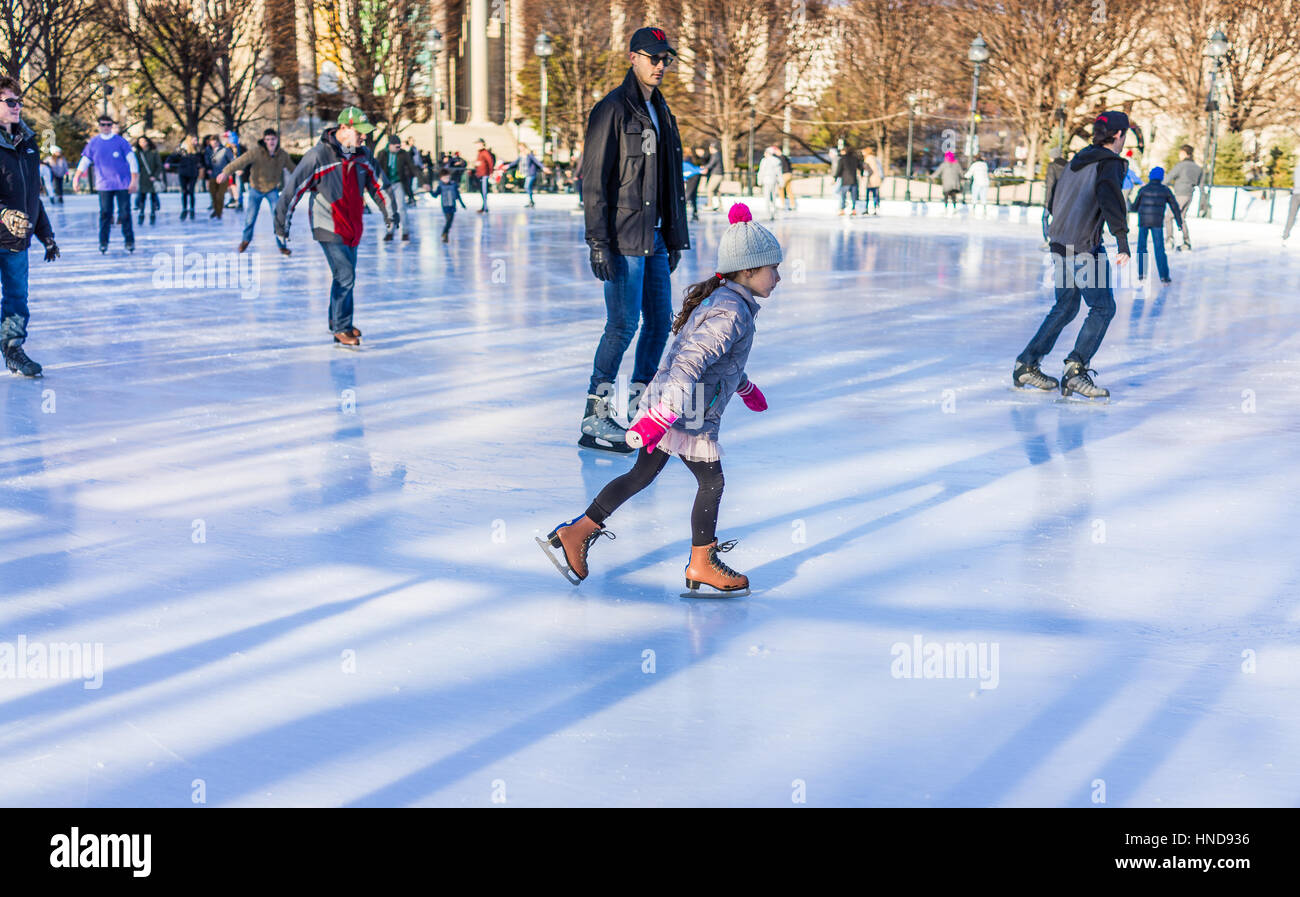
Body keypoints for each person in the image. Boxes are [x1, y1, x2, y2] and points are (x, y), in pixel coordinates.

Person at [539, 202, 779, 596]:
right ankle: (701, 563)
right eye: (773, 268)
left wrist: (745, 386)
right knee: (711, 481)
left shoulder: (729, 302)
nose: (779, 277)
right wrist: (665, 413)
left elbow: (720, 362)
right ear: (749, 270)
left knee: (641, 474)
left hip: (677, 406)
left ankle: (577, 531)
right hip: (684, 411)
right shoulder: (731, 310)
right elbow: (691, 361)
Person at [579, 24, 690, 453]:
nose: (661, 65)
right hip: (623, 239)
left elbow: (668, 183)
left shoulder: (662, 110)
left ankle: (641, 407)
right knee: (623, 325)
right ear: (633, 58)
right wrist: (597, 242)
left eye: (666, 58)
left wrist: (675, 238)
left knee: (660, 323)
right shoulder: (612, 109)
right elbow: (595, 181)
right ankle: (595, 417)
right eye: (653, 57)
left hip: (657, 238)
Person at [1013, 111, 1132, 400]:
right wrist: (1122, 239)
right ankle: (1076, 370)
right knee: (1103, 307)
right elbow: (1109, 197)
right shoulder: (1110, 163)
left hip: (1060, 241)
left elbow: (1055, 198)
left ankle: (1026, 363)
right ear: (1118, 135)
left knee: (1066, 307)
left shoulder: (1075, 161)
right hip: (1082, 247)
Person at [274, 107, 394, 347]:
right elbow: (292, 190)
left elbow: (379, 185)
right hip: (328, 224)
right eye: (359, 132)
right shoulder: (318, 156)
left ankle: (339, 321)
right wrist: (281, 226)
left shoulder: (362, 155)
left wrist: (390, 213)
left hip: (353, 226)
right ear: (344, 128)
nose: (364, 137)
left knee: (345, 276)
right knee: (346, 276)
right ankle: (341, 327)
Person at [0, 76, 59, 377]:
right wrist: (3, 213)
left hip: (15, 240)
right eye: (10, 101)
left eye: (19, 101)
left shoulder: (28, 142)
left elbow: (31, 195)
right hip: (5, 226)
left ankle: (13, 351)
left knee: (16, 299)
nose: (17, 107)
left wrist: (46, 234)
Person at [217, 127, 295, 254]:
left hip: (272, 190)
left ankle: (282, 245)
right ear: (264, 140)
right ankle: (245, 241)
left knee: (279, 217)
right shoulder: (256, 152)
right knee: (250, 218)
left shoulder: (282, 155)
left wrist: (307, 180)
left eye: (273, 139)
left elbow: (294, 169)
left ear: (277, 140)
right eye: (268, 139)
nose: (271, 142)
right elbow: (239, 162)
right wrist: (226, 172)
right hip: (256, 189)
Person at [72, 114, 137, 253]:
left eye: (108, 124)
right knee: (105, 214)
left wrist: (134, 180)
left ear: (112, 126)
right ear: (99, 126)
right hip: (104, 185)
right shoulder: (94, 143)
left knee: (125, 213)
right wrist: (76, 178)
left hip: (122, 184)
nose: (106, 127)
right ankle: (103, 242)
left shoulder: (121, 142)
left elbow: (132, 160)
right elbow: (85, 161)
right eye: (103, 124)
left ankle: (129, 241)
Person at [1129, 166, 1184, 283]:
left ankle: (1141, 274)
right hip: (1157, 223)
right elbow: (1175, 207)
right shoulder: (1165, 190)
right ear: (1161, 177)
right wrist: (1179, 222)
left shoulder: (1143, 189)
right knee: (1159, 249)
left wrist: (1128, 203)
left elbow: (1134, 207)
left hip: (1143, 222)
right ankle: (1164, 276)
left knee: (1141, 248)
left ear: (1150, 176)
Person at [376, 134, 417, 240]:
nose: (399, 149)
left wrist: (423, 181)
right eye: (396, 146)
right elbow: (375, 167)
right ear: (390, 145)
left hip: (399, 183)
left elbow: (412, 167)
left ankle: (405, 232)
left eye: (400, 146)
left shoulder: (403, 154)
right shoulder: (382, 154)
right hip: (387, 184)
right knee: (389, 209)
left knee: (402, 208)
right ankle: (390, 231)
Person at [1164, 144, 1200, 251]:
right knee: (1181, 218)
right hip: (1189, 195)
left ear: (1184, 153)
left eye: (1180, 153)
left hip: (1180, 194)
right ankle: (1187, 242)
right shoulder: (1197, 167)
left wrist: (1157, 185)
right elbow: (1200, 184)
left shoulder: (1181, 165)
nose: (1179, 155)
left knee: (1169, 216)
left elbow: (1168, 178)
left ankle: (1169, 239)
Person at [166, 135, 203, 220]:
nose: (196, 142)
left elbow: (201, 160)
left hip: (193, 173)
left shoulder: (198, 150)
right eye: (194, 140)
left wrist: (201, 166)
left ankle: (192, 209)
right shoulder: (181, 150)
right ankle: (184, 209)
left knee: (191, 191)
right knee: (184, 191)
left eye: (196, 140)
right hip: (183, 173)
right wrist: (168, 162)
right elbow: (172, 157)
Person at [431, 167, 467, 242]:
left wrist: (462, 204)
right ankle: (445, 233)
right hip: (445, 206)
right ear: (441, 178)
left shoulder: (454, 185)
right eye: (444, 178)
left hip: (452, 205)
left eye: (447, 177)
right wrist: (430, 191)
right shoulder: (440, 186)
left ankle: (445, 236)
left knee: (450, 222)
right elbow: (435, 195)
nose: (446, 179)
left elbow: (457, 195)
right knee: (448, 220)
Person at [1041, 152, 1069, 248]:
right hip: (1064, 198)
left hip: (1052, 198)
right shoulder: (1067, 166)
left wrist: (1047, 201)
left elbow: (1050, 184)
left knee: (1045, 218)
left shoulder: (1052, 166)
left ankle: (1048, 238)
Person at [134, 136, 162, 225]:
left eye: (144, 141)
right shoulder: (137, 153)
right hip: (142, 178)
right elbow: (134, 165)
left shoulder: (153, 152)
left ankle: (153, 212)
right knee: (142, 196)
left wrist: (155, 176)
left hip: (152, 177)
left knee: (153, 196)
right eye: (140, 142)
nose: (142, 143)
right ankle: (141, 212)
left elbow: (159, 165)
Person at [203, 135, 232, 219]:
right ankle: (216, 210)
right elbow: (206, 161)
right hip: (212, 176)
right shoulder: (208, 151)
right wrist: (208, 168)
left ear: (218, 142)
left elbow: (231, 160)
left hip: (223, 176)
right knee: (213, 195)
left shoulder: (225, 150)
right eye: (212, 142)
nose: (214, 143)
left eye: (215, 141)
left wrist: (229, 171)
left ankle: (219, 212)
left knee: (220, 195)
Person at [509, 143, 546, 208]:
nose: (520, 148)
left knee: (526, 186)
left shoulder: (529, 154)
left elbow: (536, 161)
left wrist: (543, 167)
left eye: (521, 147)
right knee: (528, 187)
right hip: (525, 173)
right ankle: (531, 201)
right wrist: (508, 166)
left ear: (524, 147)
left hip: (531, 173)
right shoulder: (521, 155)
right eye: (519, 147)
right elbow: (515, 162)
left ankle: (531, 201)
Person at [832, 142, 861, 216]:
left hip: (845, 180)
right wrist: (862, 174)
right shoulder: (855, 159)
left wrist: (835, 178)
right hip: (853, 180)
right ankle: (853, 209)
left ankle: (842, 210)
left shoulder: (842, 159)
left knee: (843, 196)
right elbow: (860, 167)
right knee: (853, 196)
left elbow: (839, 170)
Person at [757, 145, 783, 221]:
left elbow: (761, 171)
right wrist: (781, 182)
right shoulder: (776, 160)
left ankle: (769, 214)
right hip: (773, 180)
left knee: (767, 197)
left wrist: (759, 180)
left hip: (767, 180)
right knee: (773, 197)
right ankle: (773, 213)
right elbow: (779, 173)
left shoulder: (764, 161)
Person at [1281, 154, 1300, 244]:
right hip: (1297, 193)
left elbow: (1294, 180)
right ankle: (1285, 235)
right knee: (1292, 215)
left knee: (1291, 215)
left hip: (1295, 194)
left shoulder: (1296, 169)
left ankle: (1285, 235)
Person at [473, 138, 494, 212]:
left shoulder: (485, 152)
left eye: (478, 144)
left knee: (484, 191)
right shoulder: (480, 153)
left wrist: (491, 172)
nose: (477, 146)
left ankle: (485, 207)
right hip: (480, 174)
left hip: (484, 174)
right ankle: (484, 206)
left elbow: (490, 162)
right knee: (482, 191)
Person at [684, 146, 705, 221]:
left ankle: (684, 212)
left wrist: (699, 170)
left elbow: (690, 168)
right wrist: (699, 170)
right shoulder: (688, 158)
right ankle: (694, 213)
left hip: (693, 177)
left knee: (688, 194)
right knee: (692, 195)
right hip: (693, 177)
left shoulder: (688, 158)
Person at [702, 140, 723, 211]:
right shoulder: (717, 154)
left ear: (713, 148)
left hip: (716, 175)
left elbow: (711, 164)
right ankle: (720, 206)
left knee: (709, 189)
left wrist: (703, 167)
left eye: (710, 148)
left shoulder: (716, 154)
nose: (709, 149)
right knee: (716, 191)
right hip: (717, 174)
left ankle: (710, 204)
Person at [862, 149, 883, 215]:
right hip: (877, 178)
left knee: (868, 195)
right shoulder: (875, 158)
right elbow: (880, 168)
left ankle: (867, 209)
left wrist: (864, 175)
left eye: (863, 151)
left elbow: (866, 168)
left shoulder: (867, 158)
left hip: (871, 179)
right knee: (875, 195)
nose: (862, 153)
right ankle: (876, 208)